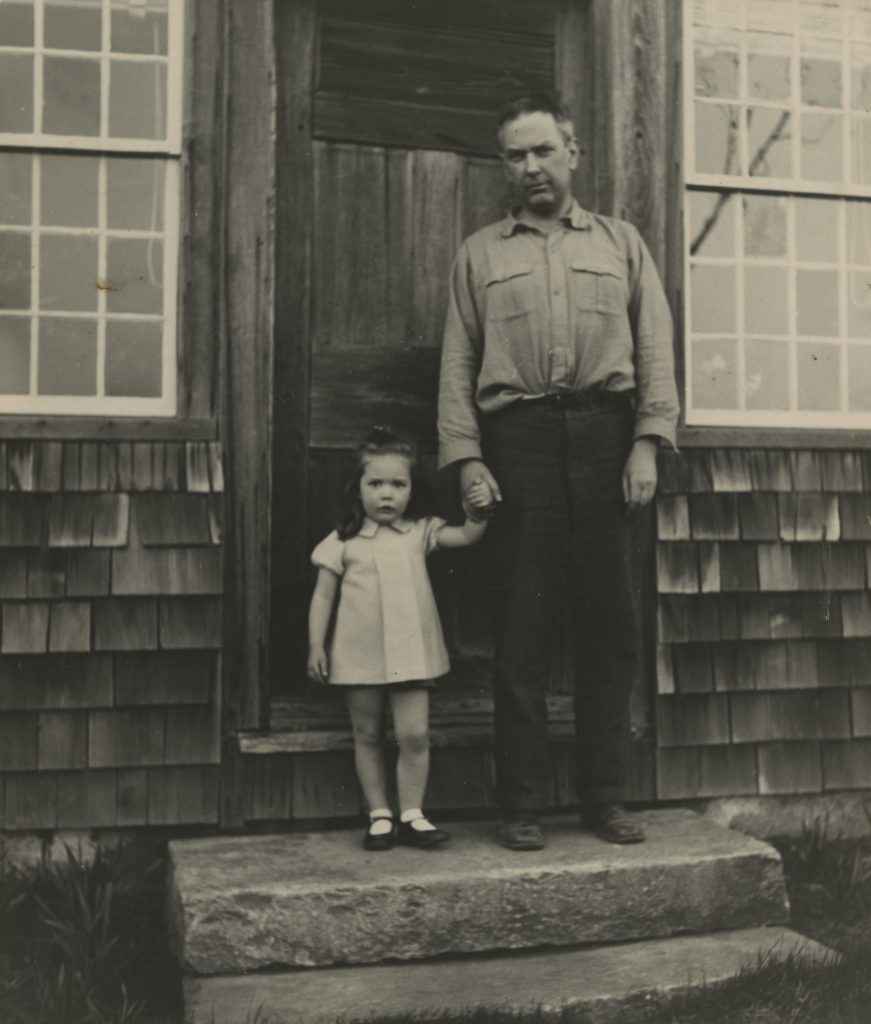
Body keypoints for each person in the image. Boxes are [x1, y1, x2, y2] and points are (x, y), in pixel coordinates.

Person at [437, 93, 679, 851]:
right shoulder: (480, 253)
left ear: (572, 153)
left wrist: (646, 440)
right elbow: (456, 365)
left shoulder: (620, 243)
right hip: (520, 444)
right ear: (502, 165)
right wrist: (467, 455)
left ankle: (603, 798)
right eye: (516, 155)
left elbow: (654, 352)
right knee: (524, 629)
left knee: (610, 626)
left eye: (544, 150)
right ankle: (522, 806)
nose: (531, 167)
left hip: (606, 439)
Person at [307, 427, 490, 851]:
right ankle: (380, 816)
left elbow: (465, 536)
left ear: (411, 490)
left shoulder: (420, 533)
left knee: (414, 735)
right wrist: (316, 645)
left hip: (410, 655)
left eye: (398, 485)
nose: (386, 494)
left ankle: (412, 814)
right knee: (367, 734)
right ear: (358, 489)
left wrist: (479, 513)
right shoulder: (343, 542)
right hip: (358, 656)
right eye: (375, 484)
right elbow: (322, 596)